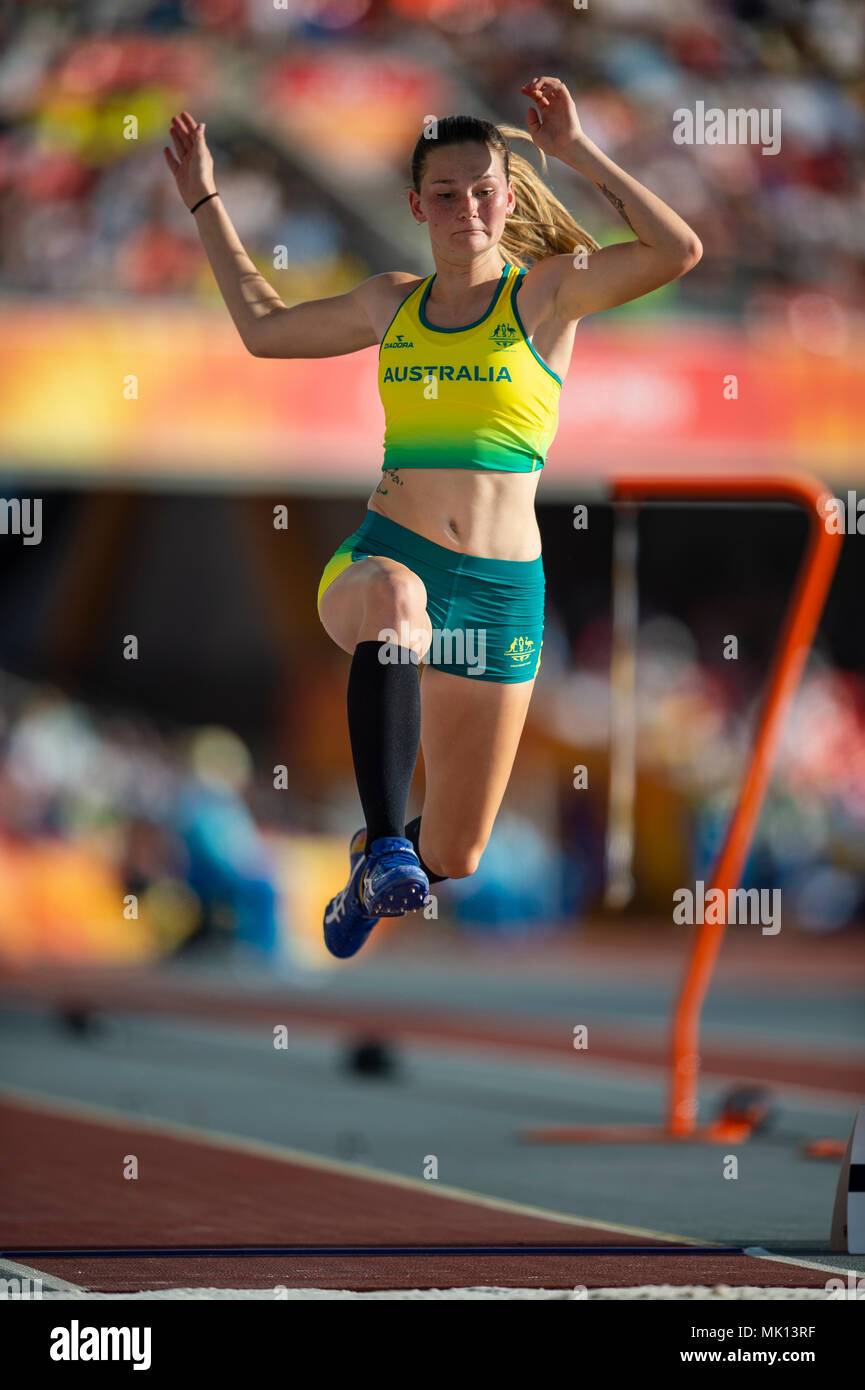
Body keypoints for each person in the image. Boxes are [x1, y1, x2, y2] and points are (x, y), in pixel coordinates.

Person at [164, 77, 702, 959]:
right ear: (416, 205)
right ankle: (382, 848)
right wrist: (205, 202)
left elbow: (676, 249)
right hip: (386, 555)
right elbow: (264, 329)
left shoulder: (549, 295)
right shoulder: (392, 304)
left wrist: (573, 149)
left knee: (455, 848)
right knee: (397, 606)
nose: (466, 209)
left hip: (501, 595)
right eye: (444, 194)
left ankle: (382, 856)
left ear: (508, 197)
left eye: (483, 190)